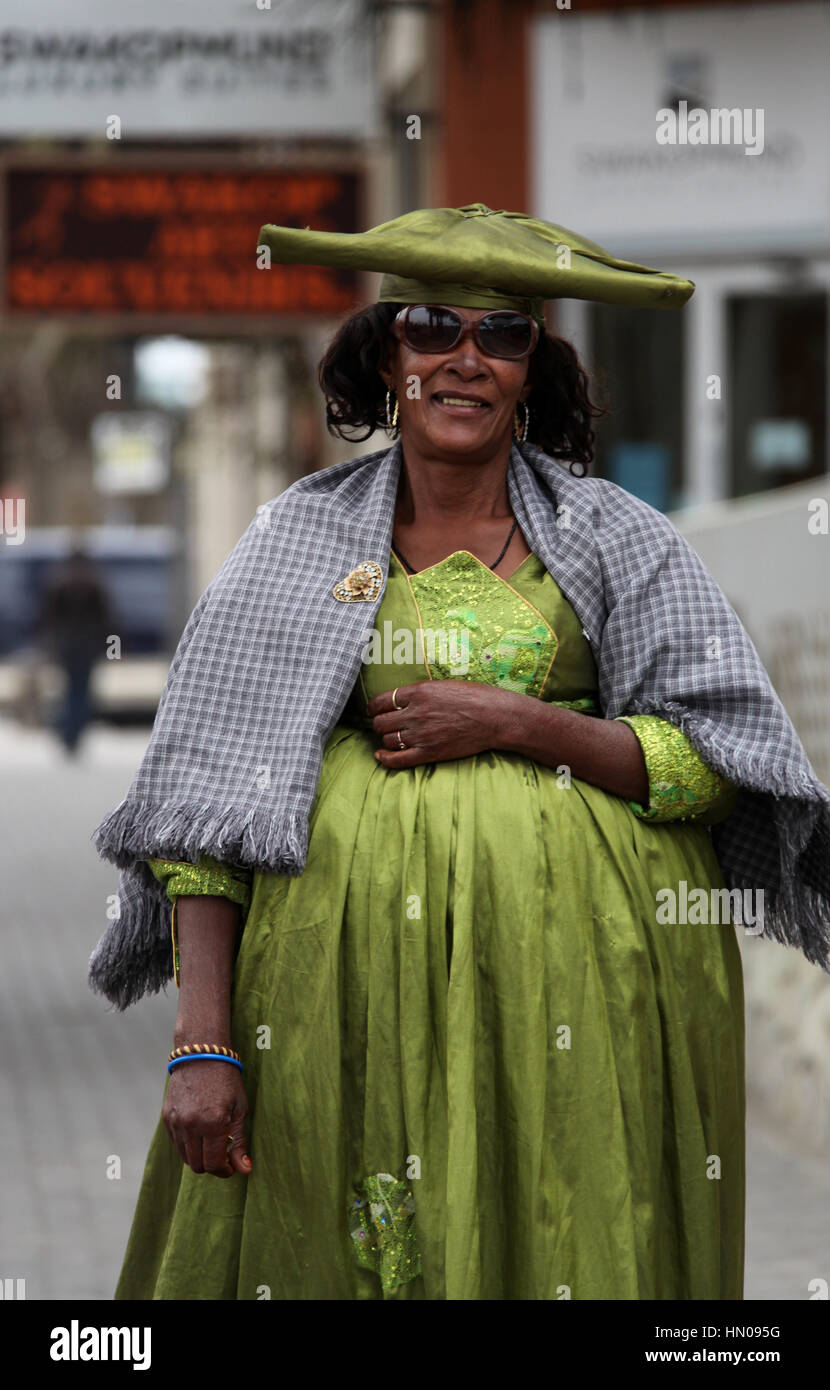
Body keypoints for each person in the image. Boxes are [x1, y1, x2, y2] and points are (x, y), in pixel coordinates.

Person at [89, 204, 830, 1301]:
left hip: (578, 1013)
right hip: (329, 1013)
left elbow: (719, 760)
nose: (464, 359)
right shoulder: (292, 542)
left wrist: (523, 723)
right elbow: (206, 814)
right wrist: (202, 1041)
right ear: (386, 353)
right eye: (431, 327)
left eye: (502, 334)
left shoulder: (617, 539)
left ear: (535, 367)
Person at [36, 543, 113, 754]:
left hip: (67, 647)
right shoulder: (94, 584)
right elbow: (107, 621)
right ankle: (75, 734)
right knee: (83, 692)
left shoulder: (59, 584)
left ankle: (68, 734)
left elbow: (48, 621)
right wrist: (113, 648)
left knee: (70, 691)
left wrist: (49, 647)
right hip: (87, 647)